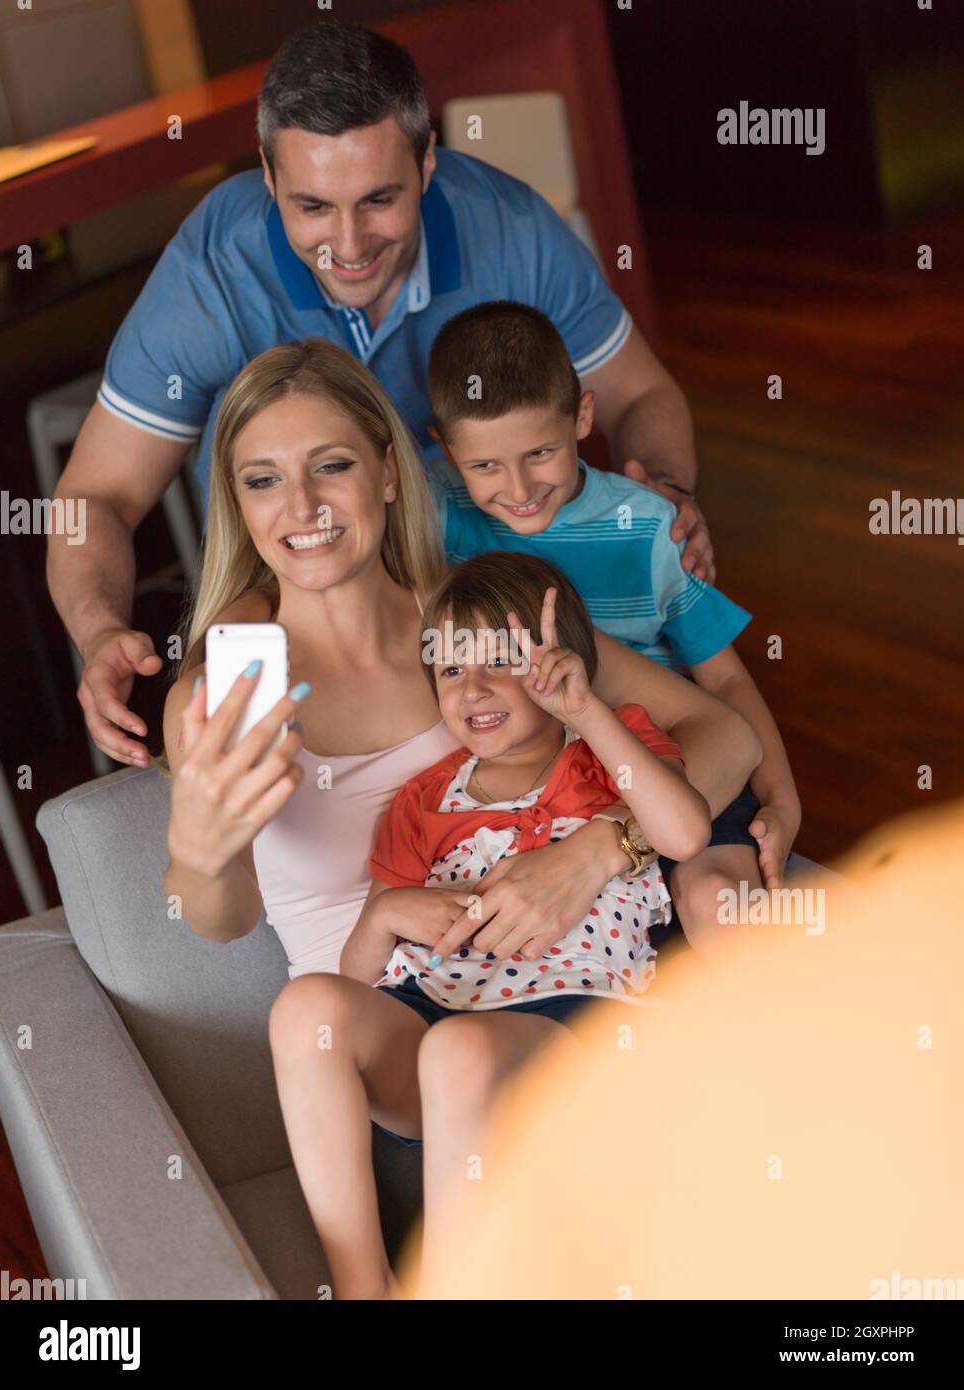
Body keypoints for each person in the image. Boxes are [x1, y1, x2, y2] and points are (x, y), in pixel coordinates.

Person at [159, 339, 758, 1296]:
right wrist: (194, 853)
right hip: (386, 1028)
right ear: (237, 505)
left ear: (391, 473)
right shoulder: (227, 684)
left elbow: (719, 731)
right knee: (304, 1009)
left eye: (334, 466)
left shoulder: (479, 621)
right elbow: (220, 915)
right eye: (263, 480)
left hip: (536, 1001)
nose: (302, 509)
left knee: (468, 1051)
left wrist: (603, 847)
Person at [47, 19, 711, 771]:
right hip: (289, 600)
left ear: (428, 163)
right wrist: (99, 630)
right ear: (267, 180)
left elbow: (640, 394)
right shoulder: (210, 276)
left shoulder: (512, 228)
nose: (349, 244)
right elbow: (93, 496)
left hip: (486, 590)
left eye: (378, 200)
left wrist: (666, 491)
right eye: (313, 207)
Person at [291, 551, 712, 1298]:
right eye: (450, 671)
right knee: (304, 1007)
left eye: (499, 663)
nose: (473, 688)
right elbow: (357, 983)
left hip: (573, 1027)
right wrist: (385, 912)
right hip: (431, 1025)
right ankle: (363, 1286)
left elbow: (681, 834)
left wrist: (586, 712)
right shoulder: (422, 801)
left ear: (562, 666)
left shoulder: (606, 754)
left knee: (458, 1051)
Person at [419, 301, 801, 944]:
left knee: (713, 899)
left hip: (667, 760)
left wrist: (783, 799)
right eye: (484, 465)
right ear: (444, 447)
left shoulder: (650, 525)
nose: (517, 487)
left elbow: (728, 685)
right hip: (533, 781)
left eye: (540, 451)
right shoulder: (437, 512)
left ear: (584, 418)